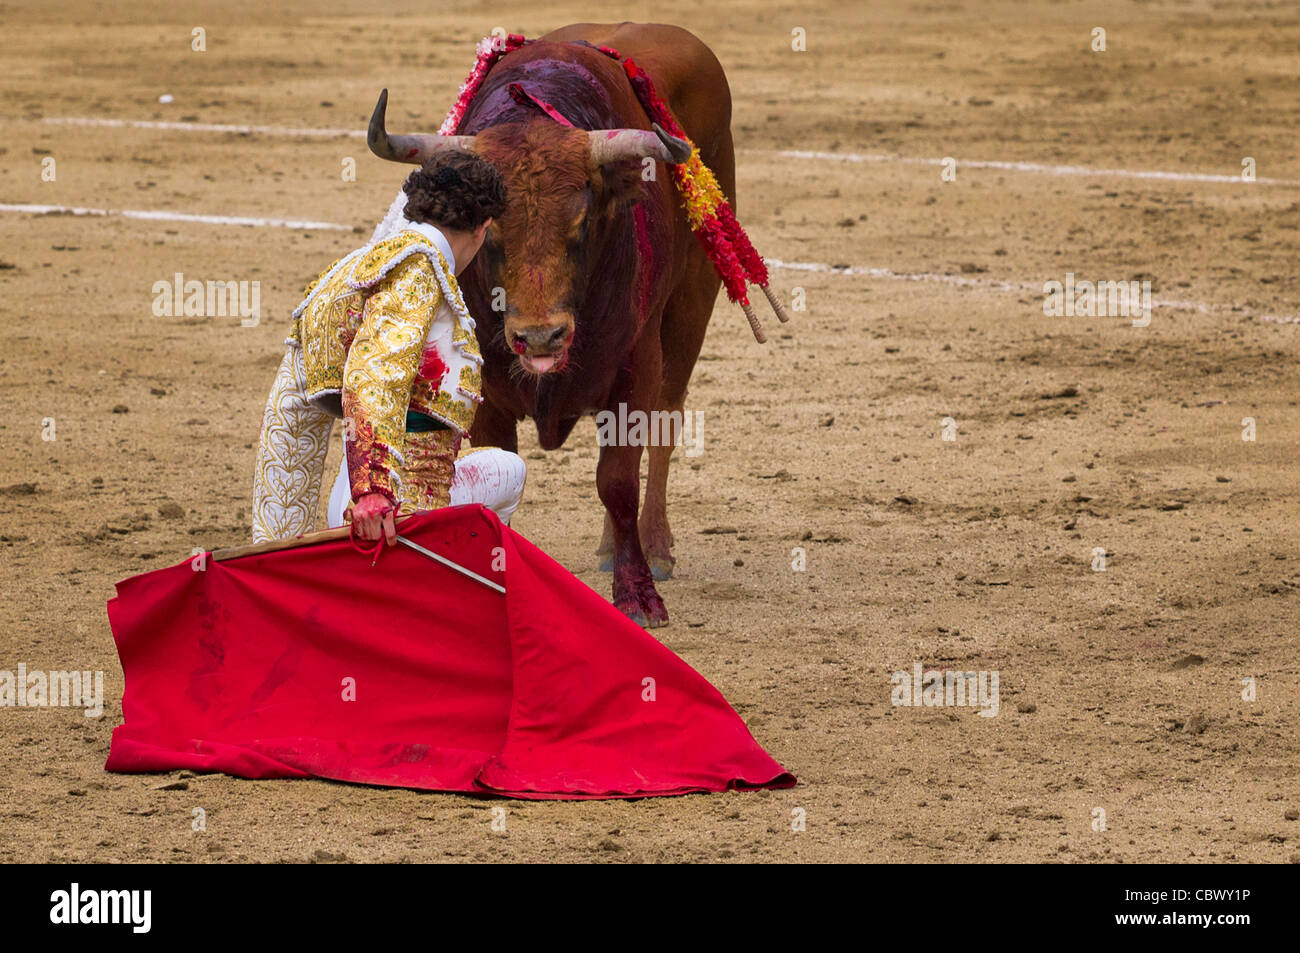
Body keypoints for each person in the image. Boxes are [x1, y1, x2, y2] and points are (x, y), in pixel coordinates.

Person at [252, 151, 525, 545]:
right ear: (483, 228)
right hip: (398, 512)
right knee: (510, 469)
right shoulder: (419, 272)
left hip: (349, 508)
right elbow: (374, 372)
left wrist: (276, 542)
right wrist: (373, 489)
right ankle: (454, 580)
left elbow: (291, 406)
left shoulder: (354, 266)